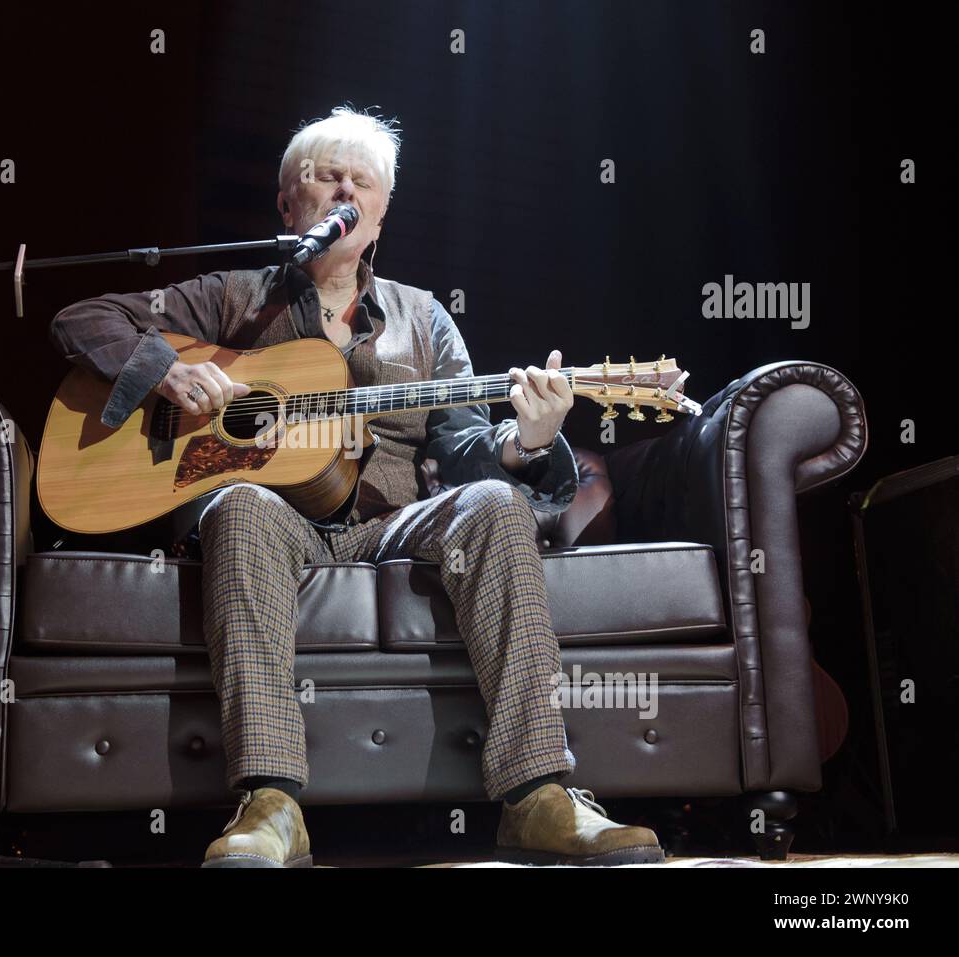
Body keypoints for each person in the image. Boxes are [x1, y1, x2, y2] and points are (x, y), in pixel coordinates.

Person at [50, 105, 664, 867]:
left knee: (496, 503)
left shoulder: (426, 319)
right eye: (325, 175)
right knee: (239, 502)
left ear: (380, 214)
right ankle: (270, 805)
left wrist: (526, 442)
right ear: (288, 203)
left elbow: (466, 446)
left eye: (361, 181)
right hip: (277, 519)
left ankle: (539, 793)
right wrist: (167, 373)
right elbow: (84, 317)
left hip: (392, 520)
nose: (345, 189)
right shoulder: (232, 296)